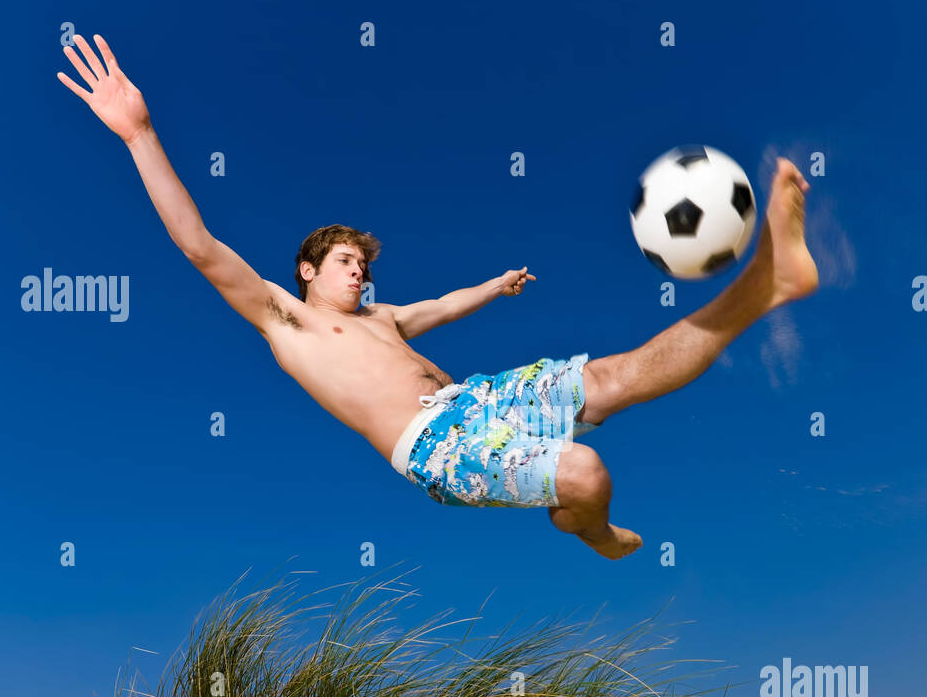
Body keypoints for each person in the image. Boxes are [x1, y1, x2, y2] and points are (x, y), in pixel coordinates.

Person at [59, 34, 818, 560]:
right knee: (586, 475)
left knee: (616, 378)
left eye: (362, 263)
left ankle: (770, 283)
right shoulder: (283, 321)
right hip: (440, 449)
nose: (358, 273)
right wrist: (139, 135)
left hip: (479, 401)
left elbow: (444, 308)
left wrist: (496, 285)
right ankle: (589, 531)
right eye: (345, 262)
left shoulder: (383, 318)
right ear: (306, 272)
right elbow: (199, 246)